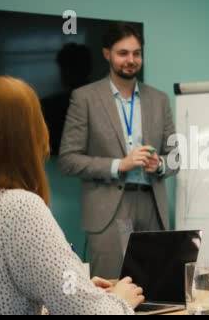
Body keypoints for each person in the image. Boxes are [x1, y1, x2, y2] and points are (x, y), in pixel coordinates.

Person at [0, 74, 144, 315]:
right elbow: (88, 313)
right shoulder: (18, 209)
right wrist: (120, 301)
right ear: (25, 136)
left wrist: (72, 292)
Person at [59, 23, 179, 279]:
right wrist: (118, 165)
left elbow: (176, 158)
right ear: (107, 54)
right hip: (110, 209)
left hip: (151, 205)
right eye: (123, 53)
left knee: (156, 287)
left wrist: (159, 165)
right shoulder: (84, 98)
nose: (131, 60)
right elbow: (68, 160)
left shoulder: (159, 100)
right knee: (113, 291)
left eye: (136, 53)